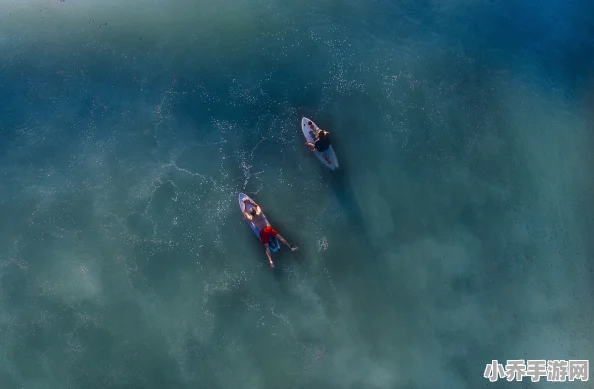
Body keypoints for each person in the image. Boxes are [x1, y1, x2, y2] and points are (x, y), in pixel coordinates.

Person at [242, 197, 297, 268]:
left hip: (262, 232)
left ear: (251, 214)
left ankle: (271, 262)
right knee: (280, 238)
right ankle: (290, 247)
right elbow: (257, 205)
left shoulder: (251, 218)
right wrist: (249, 201)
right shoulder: (259, 213)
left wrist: (244, 203)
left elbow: (245, 212)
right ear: (255, 211)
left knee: (267, 247)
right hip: (268, 228)